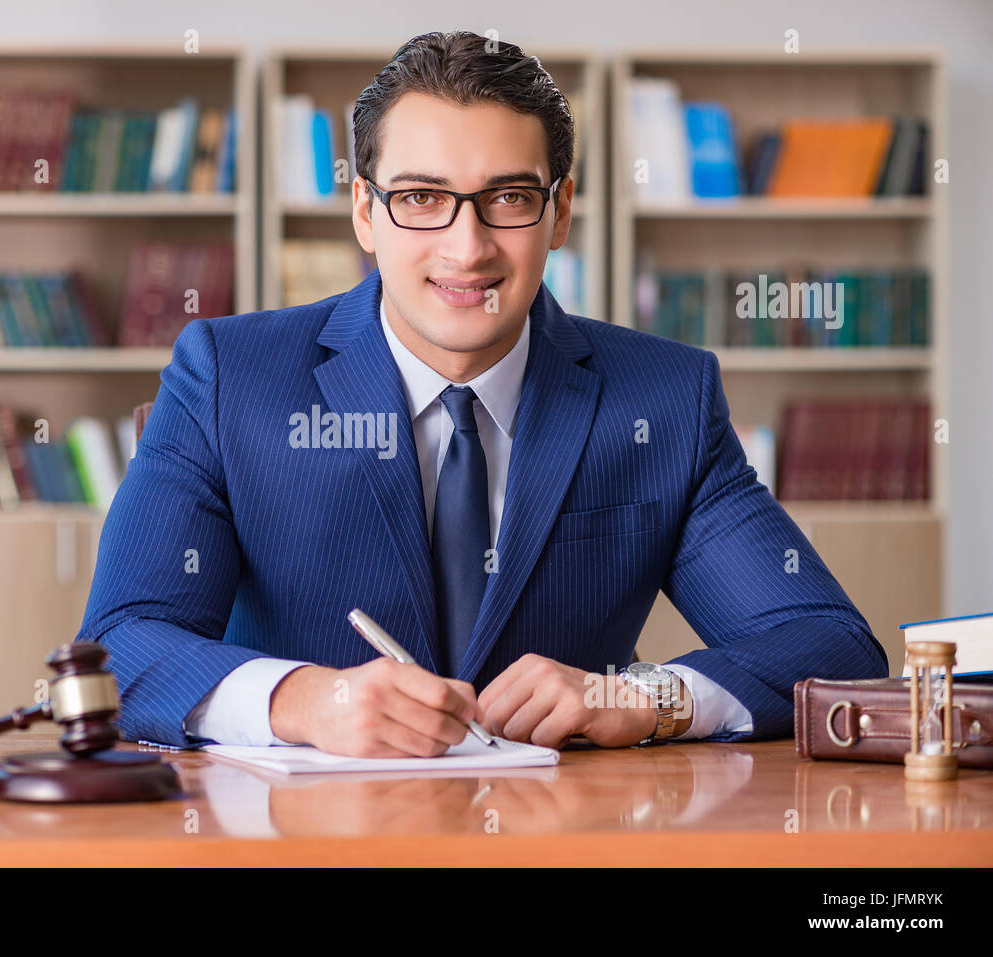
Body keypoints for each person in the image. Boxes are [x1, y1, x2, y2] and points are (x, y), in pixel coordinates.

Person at [76, 30, 888, 757]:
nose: (467, 249)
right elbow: (120, 644)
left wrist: (642, 697)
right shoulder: (229, 376)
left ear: (560, 211)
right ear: (365, 211)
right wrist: (305, 700)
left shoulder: (664, 397)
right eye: (421, 198)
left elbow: (828, 644)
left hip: (563, 842)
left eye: (508, 198)